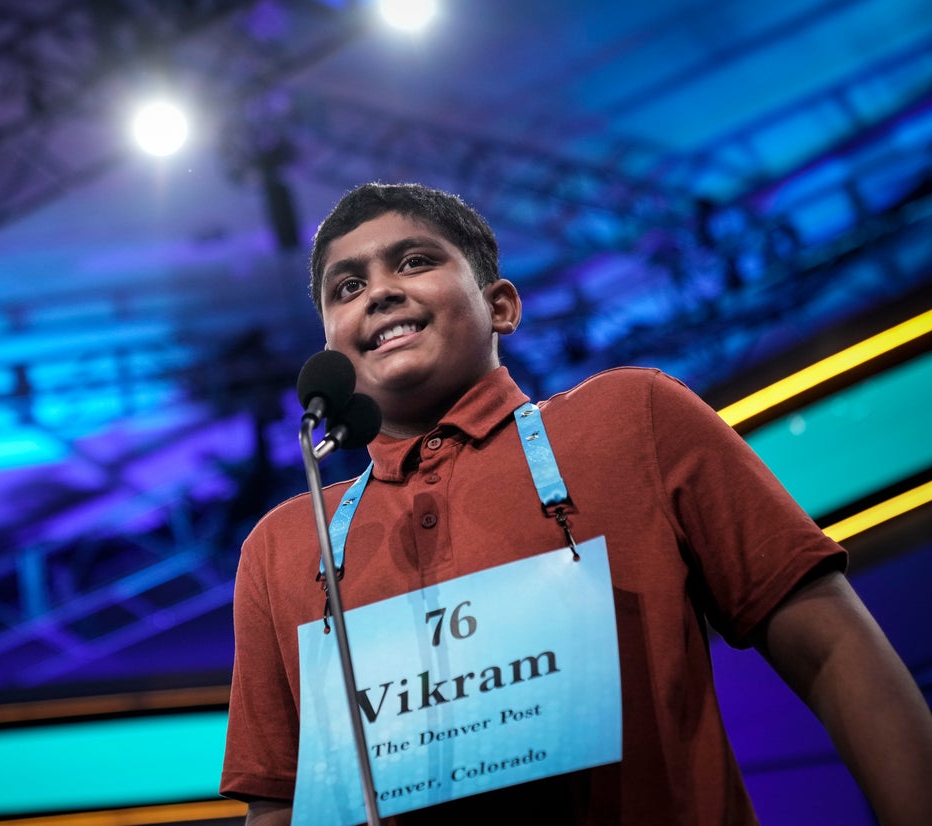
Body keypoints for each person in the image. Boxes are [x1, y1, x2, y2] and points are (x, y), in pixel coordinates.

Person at [219, 182, 932, 825]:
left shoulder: (634, 417)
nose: (377, 292)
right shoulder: (285, 547)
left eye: (413, 262)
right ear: (330, 345)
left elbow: (831, 645)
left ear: (501, 305)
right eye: (346, 287)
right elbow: (279, 807)